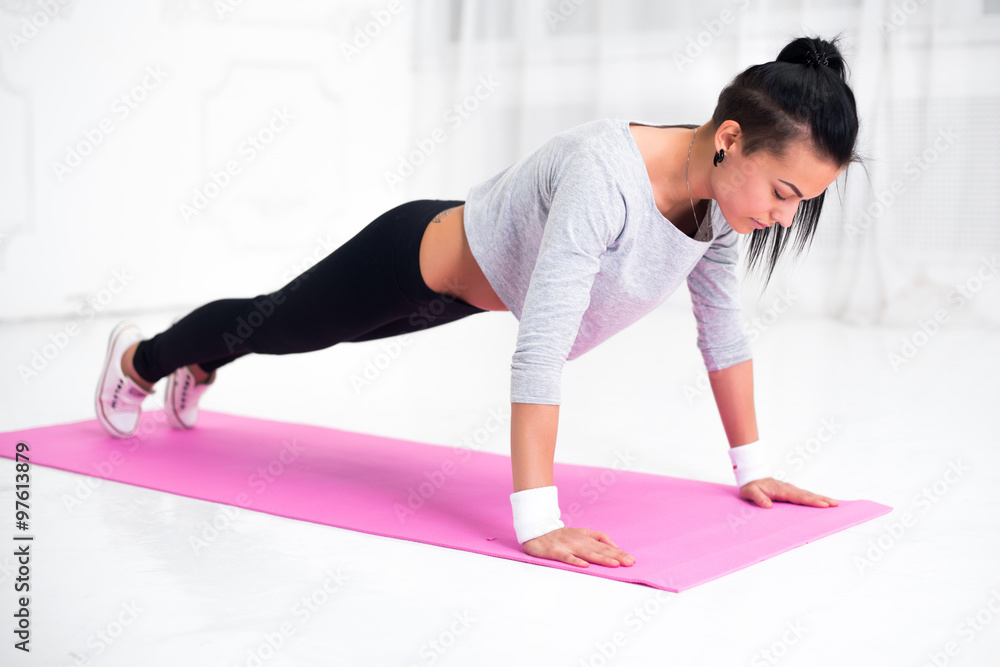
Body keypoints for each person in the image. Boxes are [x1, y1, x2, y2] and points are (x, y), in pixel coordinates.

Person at [95, 34, 860, 570]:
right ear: (731, 137)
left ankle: (200, 355)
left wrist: (752, 468)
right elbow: (542, 343)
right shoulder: (607, 174)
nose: (784, 216)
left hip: (466, 295)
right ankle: (140, 360)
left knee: (288, 330)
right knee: (281, 324)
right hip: (410, 259)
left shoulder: (722, 210)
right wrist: (539, 520)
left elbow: (722, 331)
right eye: (785, 193)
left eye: (802, 203)